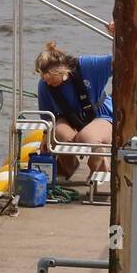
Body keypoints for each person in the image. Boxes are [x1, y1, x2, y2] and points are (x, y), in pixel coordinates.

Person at [35, 29, 114, 178]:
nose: (47, 81)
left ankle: (99, 169)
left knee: (87, 138)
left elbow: (117, 60)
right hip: (71, 119)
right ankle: (68, 169)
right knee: (58, 134)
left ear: (62, 69)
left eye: (50, 77)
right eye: (43, 77)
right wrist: (46, 137)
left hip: (101, 115)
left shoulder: (88, 66)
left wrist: (116, 36)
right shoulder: (44, 85)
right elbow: (47, 118)